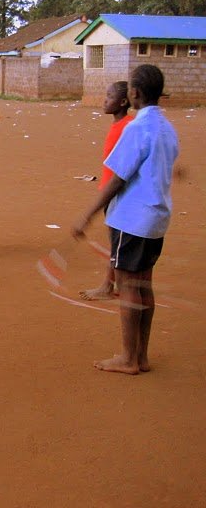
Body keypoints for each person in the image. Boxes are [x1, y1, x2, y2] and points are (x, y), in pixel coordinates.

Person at [72, 64, 178, 375]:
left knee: (130, 286)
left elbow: (118, 178)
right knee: (143, 284)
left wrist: (87, 215)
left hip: (133, 218)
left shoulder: (137, 129)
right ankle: (140, 356)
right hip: (156, 217)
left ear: (134, 93)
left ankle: (129, 357)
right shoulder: (167, 127)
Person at [79, 81, 133, 301]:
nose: (105, 100)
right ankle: (115, 284)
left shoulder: (129, 126)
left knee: (116, 244)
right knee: (116, 243)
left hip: (118, 194)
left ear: (123, 102)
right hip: (111, 192)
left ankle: (109, 286)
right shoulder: (120, 125)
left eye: (109, 96)